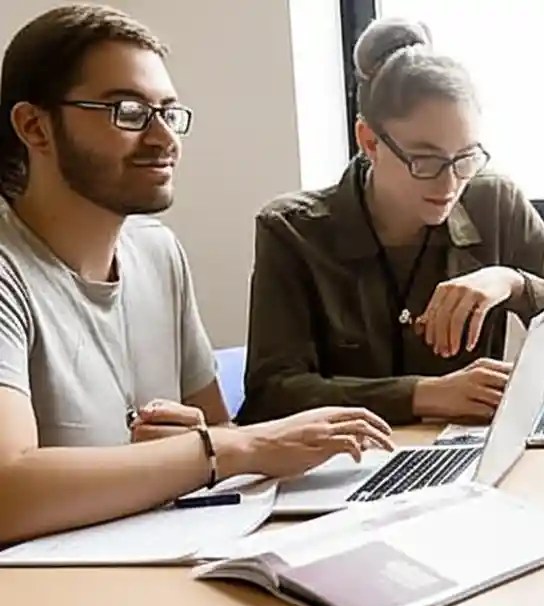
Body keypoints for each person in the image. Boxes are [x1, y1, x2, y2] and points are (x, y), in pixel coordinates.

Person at [0, 4, 393, 545]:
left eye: (169, 111)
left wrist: (190, 452)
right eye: (129, 112)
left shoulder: (158, 254)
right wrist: (214, 451)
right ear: (34, 127)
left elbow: (216, 432)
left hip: (165, 562)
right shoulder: (9, 273)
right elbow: (7, 491)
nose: (164, 138)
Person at [236, 18, 544, 427]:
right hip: (338, 469)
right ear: (369, 141)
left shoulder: (494, 202)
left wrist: (514, 284)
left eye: (466, 157)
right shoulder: (291, 230)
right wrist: (424, 395)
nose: (449, 182)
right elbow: (271, 394)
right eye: (425, 160)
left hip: (467, 465)